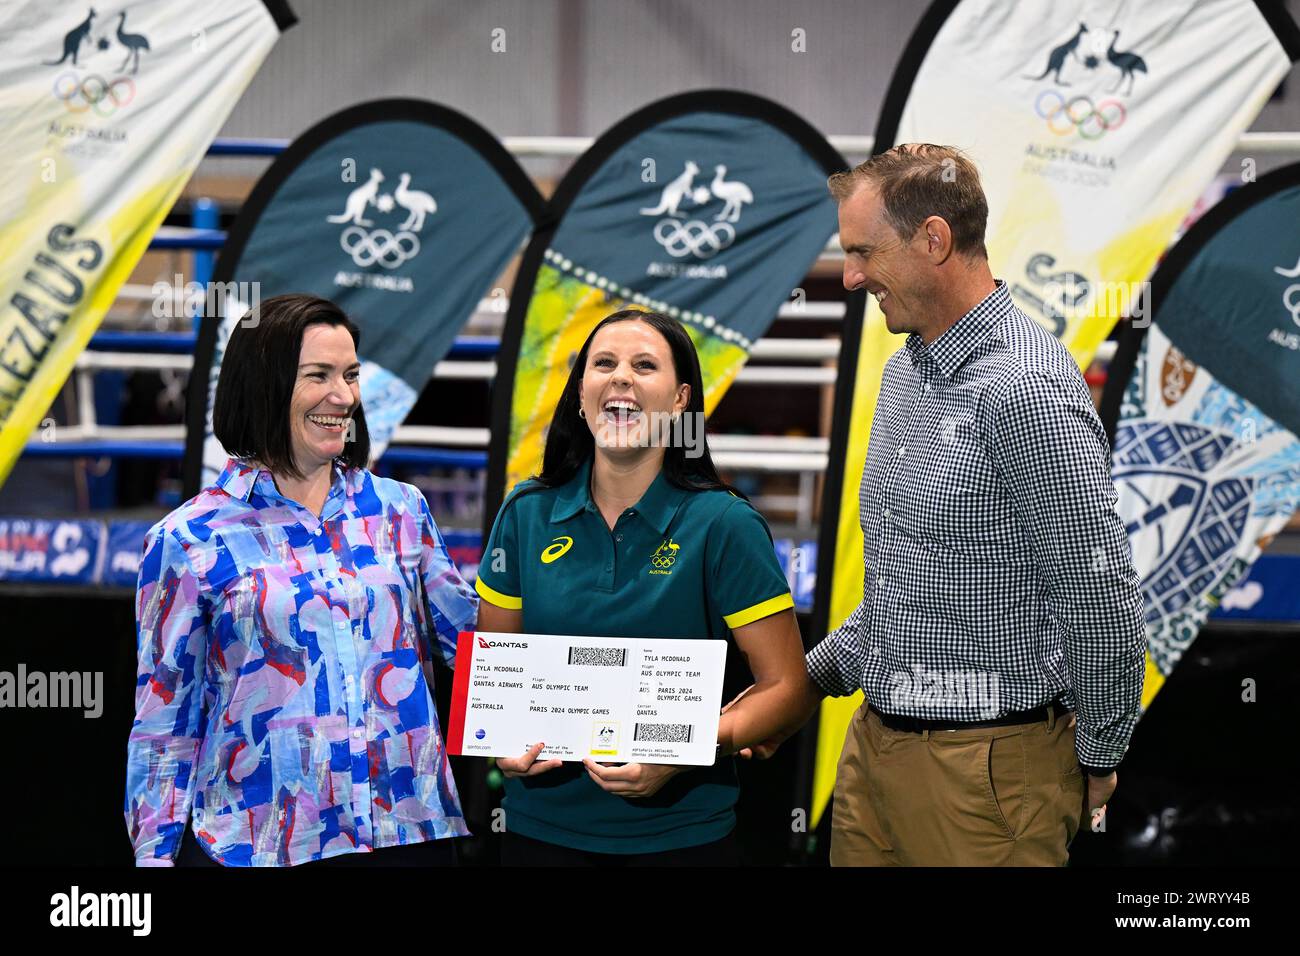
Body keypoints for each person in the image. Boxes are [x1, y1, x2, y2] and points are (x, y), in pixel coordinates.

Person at [752, 144, 1146, 866]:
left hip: (991, 776)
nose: (850, 276)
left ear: (934, 240)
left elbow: (1099, 594)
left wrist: (1099, 755)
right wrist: (803, 689)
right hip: (873, 751)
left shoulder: (1024, 388)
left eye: (864, 252)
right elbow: (905, 592)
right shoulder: (903, 373)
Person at [125, 293, 477, 867]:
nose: (344, 397)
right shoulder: (187, 539)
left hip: (410, 836)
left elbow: (475, 650)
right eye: (319, 376)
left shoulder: (400, 510)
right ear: (263, 383)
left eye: (351, 375)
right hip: (258, 850)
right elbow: (165, 719)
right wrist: (154, 856)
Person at [475, 309, 811, 866]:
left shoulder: (724, 525)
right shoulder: (524, 513)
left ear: (680, 400)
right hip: (538, 834)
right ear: (581, 392)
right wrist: (502, 746)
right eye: (603, 363)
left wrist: (683, 751)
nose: (621, 377)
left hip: (684, 840)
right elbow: (498, 677)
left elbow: (787, 690)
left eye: (644, 365)